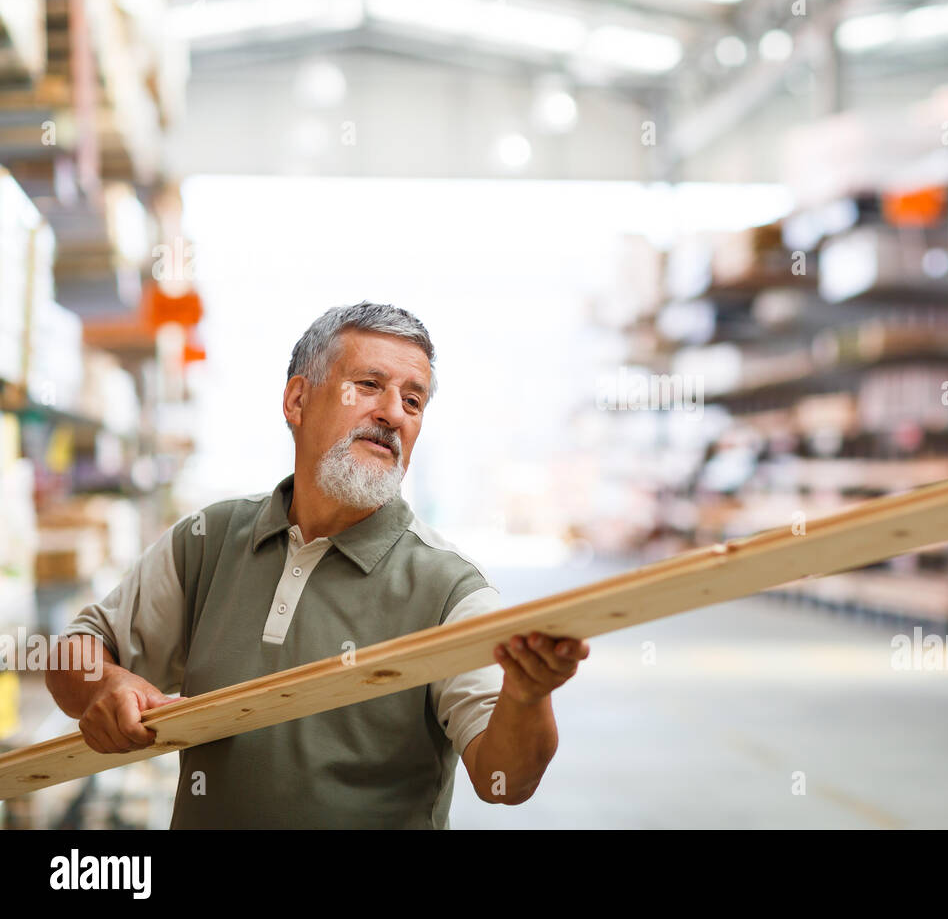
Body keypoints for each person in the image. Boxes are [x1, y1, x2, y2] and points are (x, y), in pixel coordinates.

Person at [45, 301, 589, 828]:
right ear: (297, 400)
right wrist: (103, 686)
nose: (394, 412)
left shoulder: (451, 591)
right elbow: (75, 650)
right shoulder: (208, 541)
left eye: (414, 401)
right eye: (370, 385)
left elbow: (506, 782)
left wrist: (527, 694)